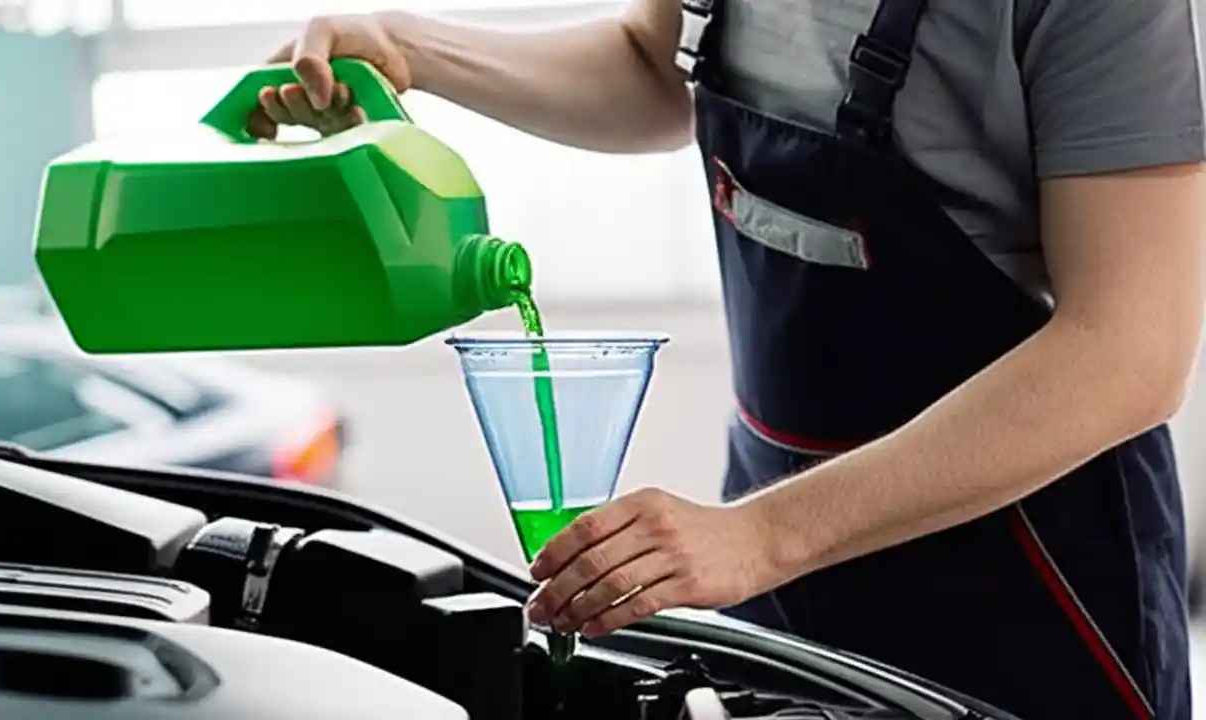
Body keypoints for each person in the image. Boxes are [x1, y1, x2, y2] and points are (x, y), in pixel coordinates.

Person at [252, 2, 1206, 718]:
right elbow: (649, 65)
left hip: (1028, 581)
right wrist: (419, 50)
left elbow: (1129, 349)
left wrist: (758, 538)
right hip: (770, 536)